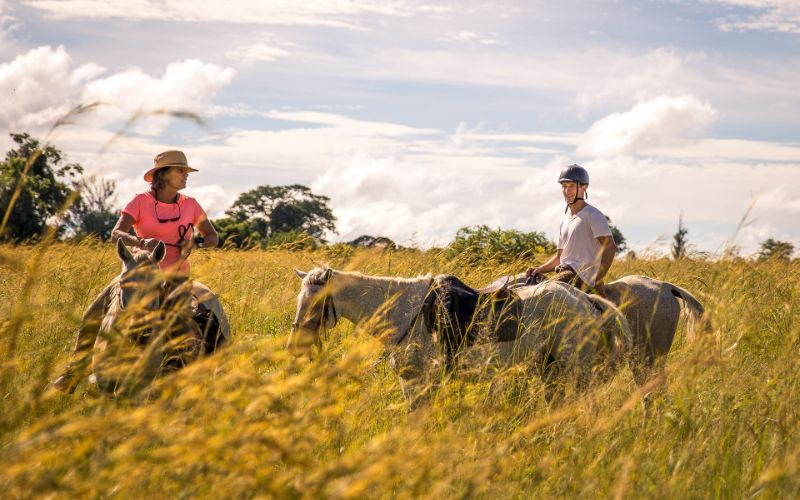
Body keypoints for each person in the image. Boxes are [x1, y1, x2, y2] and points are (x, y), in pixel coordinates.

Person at [52, 150, 225, 393]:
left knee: (201, 322)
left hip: (176, 279)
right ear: (163, 174)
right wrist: (142, 243)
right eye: (180, 170)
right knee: (93, 314)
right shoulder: (140, 202)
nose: (186, 175)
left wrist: (195, 242)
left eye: (186, 171)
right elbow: (116, 234)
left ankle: (209, 371)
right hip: (138, 273)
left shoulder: (192, 205)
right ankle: (74, 371)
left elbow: (212, 236)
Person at [526, 164, 616, 297]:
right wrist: (539, 269)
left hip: (581, 277)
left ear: (584, 187)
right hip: (563, 273)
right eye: (564, 186)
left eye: (572, 186)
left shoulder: (593, 215)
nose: (567, 190)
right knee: (528, 282)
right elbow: (559, 258)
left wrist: (597, 279)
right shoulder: (565, 221)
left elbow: (610, 247)